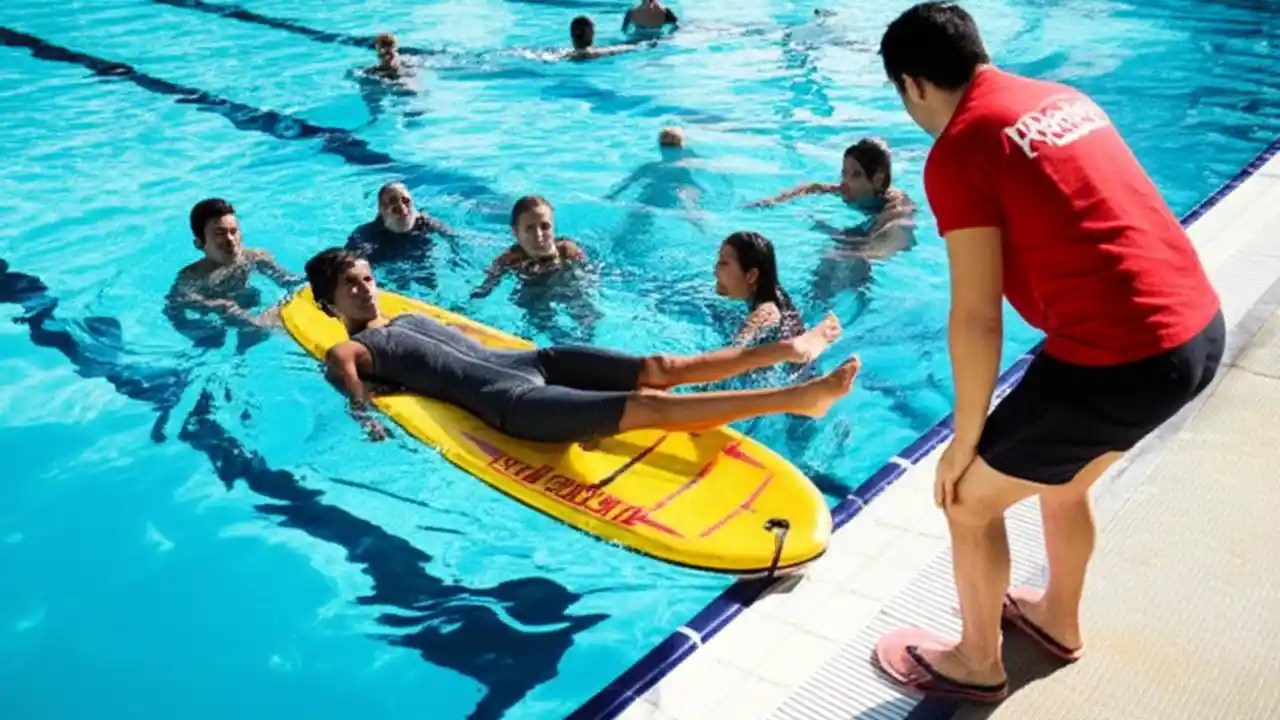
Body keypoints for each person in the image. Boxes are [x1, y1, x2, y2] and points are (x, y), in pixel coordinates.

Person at [870, 3, 1223, 703]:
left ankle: (976, 660)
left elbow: (976, 317)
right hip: (1196, 329)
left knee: (968, 502)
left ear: (912, 84)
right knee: (1064, 480)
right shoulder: (1062, 98)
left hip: (1121, 360)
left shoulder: (962, 146)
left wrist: (962, 443)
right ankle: (1056, 618)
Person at [303, 248, 860, 444]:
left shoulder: (407, 314)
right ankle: (798, 398)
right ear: (330, 304)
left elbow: (469, 341)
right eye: (350, 285)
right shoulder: (350, 348)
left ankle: (788, 350)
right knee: (652, 407)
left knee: (659, 366)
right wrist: (364, 410)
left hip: (528, 361)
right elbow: (345, 374)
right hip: (509, 402)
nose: (365, 288)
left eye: (368, 278)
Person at [165, 198, 299, 348]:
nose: (230, 239)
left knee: (253, 298)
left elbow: (288, 280)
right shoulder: (193, 276)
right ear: (199, 243)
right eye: (219, 233)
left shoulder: (254, 257)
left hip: (248, 305)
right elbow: (175, 306)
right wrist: (210, 305)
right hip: (216, 322)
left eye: (233, 231)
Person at [748, 138, 916, 251]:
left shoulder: (894, 205)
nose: (845, 181)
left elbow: (890, 240)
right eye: (844, 173)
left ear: (878, 180)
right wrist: (774, 200)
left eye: (855, 175)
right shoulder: (851, 189)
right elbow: (814, 187)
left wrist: (833, 233)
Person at [471, 195, 600, 344]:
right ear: (515, 232)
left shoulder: (567, 251)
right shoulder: (509, 260)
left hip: (566, 285)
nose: (538, 235)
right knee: (541, 323)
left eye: (545, 226)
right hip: (533, 292)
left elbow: (590, 278)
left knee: (588, 317)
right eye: (529, 228)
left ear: (554, 228)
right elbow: (485, 288)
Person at [346, 182, 459, 289]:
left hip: (421, 266)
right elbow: (347, 266)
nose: (402, 209)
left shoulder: (426, 223)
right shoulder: (366, 235)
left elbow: (456, 239)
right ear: (382, 210)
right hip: (387, 268)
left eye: (406, 201)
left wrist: (455, 259)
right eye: (392, 202)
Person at [605, 127, 707, 233]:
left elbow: (627, 183)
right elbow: (693, 185)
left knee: (632, 228)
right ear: (680, 148)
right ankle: (706, 234)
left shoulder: (647, 167)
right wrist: (705, 192)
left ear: (661, 148)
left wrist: (612, 195)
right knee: (694, 216)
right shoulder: (680, 170)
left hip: (647, 198)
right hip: (668, 199)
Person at [714, 231, 805, 347]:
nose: (715, 270)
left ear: (751, 276)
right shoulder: (775, 296)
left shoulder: (764, 315)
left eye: (723, 263)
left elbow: (730, 356)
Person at [567, 16, 635, 61]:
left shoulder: (563, 54)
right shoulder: (601, 53)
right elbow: (633, 48)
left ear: (571, 34)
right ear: (590, 33)